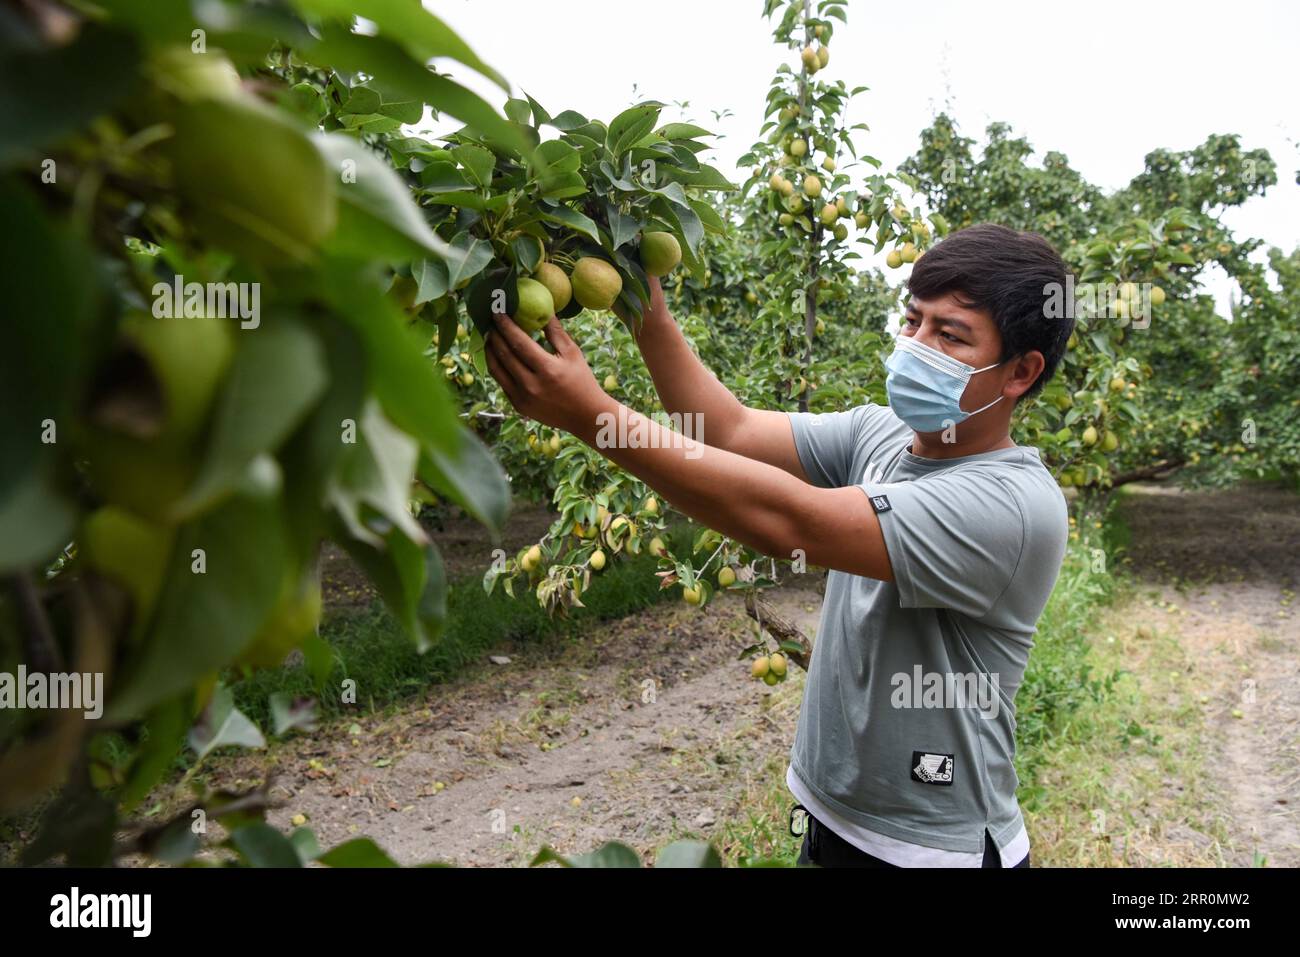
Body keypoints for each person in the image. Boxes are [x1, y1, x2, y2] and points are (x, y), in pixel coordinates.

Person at [484, 222, 1073, 868]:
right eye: (912, 321)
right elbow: (727, 429)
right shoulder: (882, 435)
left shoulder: (1013, 506)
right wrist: (641, 301)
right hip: (833, 819)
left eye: (949, 334)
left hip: (935, 848)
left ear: (1021, 370)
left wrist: (594, 418)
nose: (916, 346)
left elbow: (791, 523)